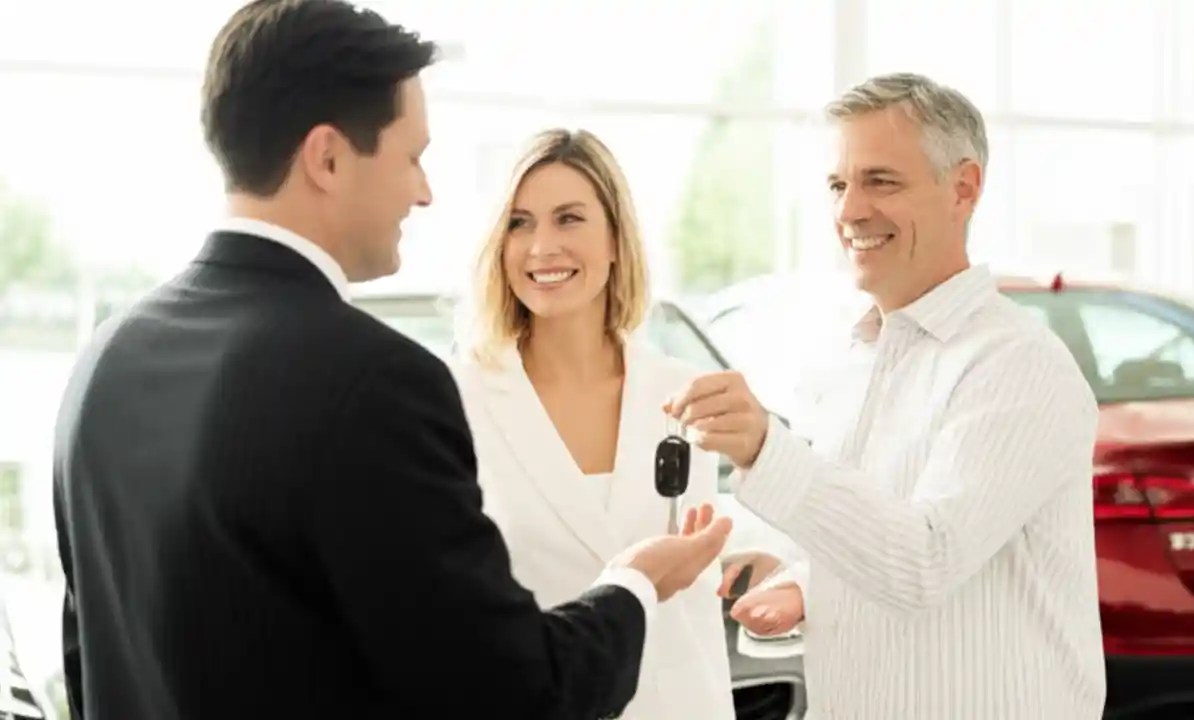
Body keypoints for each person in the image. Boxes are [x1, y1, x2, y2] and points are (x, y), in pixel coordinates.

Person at [51, 3, 730, 719]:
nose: (424, 190)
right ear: (329, 158)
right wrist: (632, 584)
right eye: (412, 156)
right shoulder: (373, 382)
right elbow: (511, 696)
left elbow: (88, 662)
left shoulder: (106, 361)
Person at [665, 72, 1106, 719]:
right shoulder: (852, 362)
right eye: (839, 185)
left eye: (881, 181)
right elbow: (880, 532)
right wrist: (800, 576)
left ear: (963, 188)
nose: (849, 211)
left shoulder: (1016, 364)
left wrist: (766, 449)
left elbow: (925, 559)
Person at [450, 127, 736, 719]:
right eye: (520, 223)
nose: (541, 247)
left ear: (614, 240)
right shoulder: (458, 398)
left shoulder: (681, 394)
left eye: (569, 218)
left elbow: (701, 582)